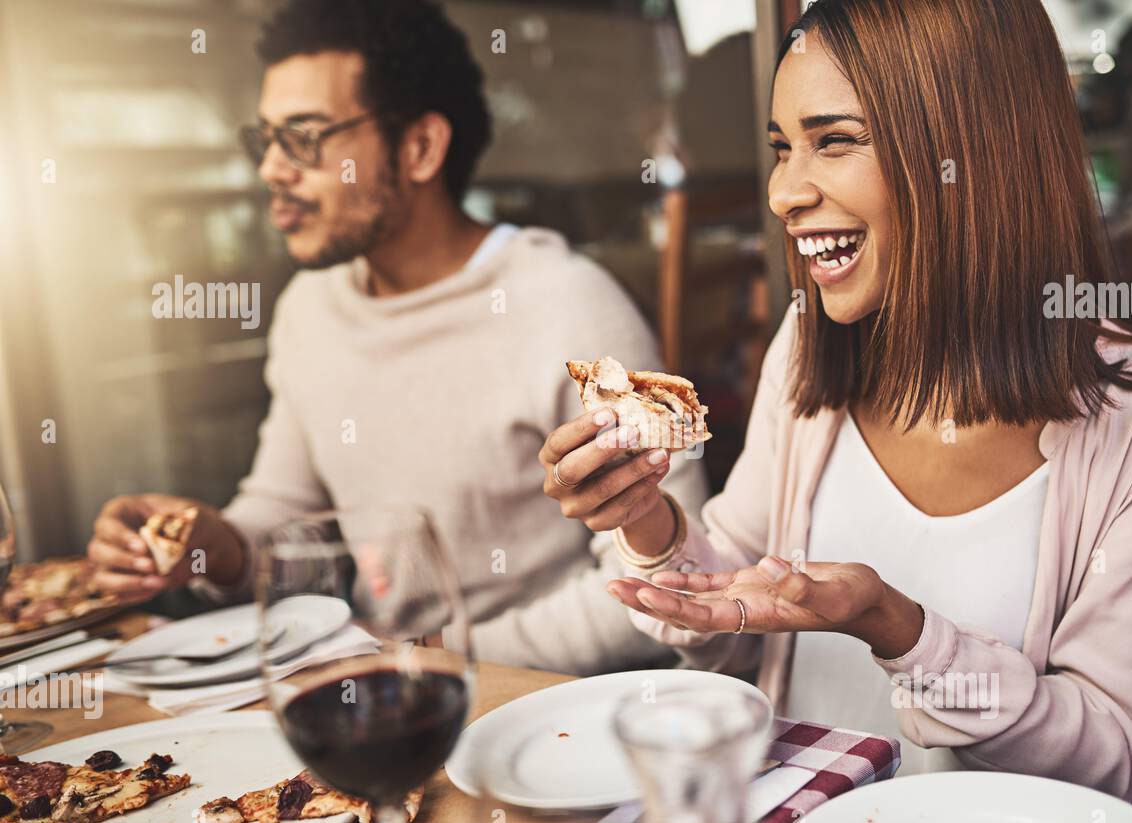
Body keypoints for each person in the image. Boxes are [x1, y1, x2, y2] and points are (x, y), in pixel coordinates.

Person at [540, 0, 1132, 823]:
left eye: (834, 141)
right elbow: (734, 616)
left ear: (973, 151)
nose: (783, 192)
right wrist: (647, 520)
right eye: (782, 147)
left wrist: (897, 628)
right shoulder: (807, 348)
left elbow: (1107, 756)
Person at [85, 0, 707, 676]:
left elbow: (667, 584)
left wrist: (426, 662)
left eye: (304, 137)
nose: (271, 170)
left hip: (543, 709)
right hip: (386, 695)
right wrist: (207, 544)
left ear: (420, 148)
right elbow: (282, 510)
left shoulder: (567, 304)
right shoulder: (310, 309)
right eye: (265, 140)